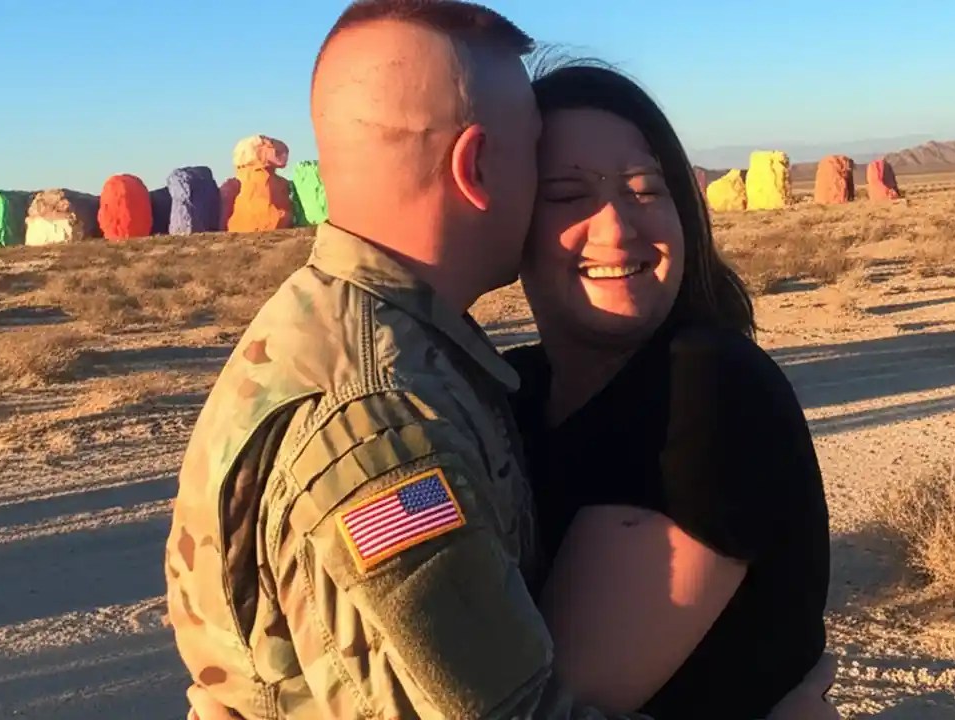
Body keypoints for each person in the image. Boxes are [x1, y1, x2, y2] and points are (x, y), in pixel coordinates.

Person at [163, 1, 835, 718]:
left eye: (645, 188)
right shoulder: (383, 411)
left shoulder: (407, 363)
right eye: (558, 184)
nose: (613, 224)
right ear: (478, 166)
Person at [503, 61, 835, 719]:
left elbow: (546, 707)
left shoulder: (707, 387)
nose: (617, 228)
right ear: (509, 224)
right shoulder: (511, 390)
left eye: (645, 189)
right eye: (567, 194)